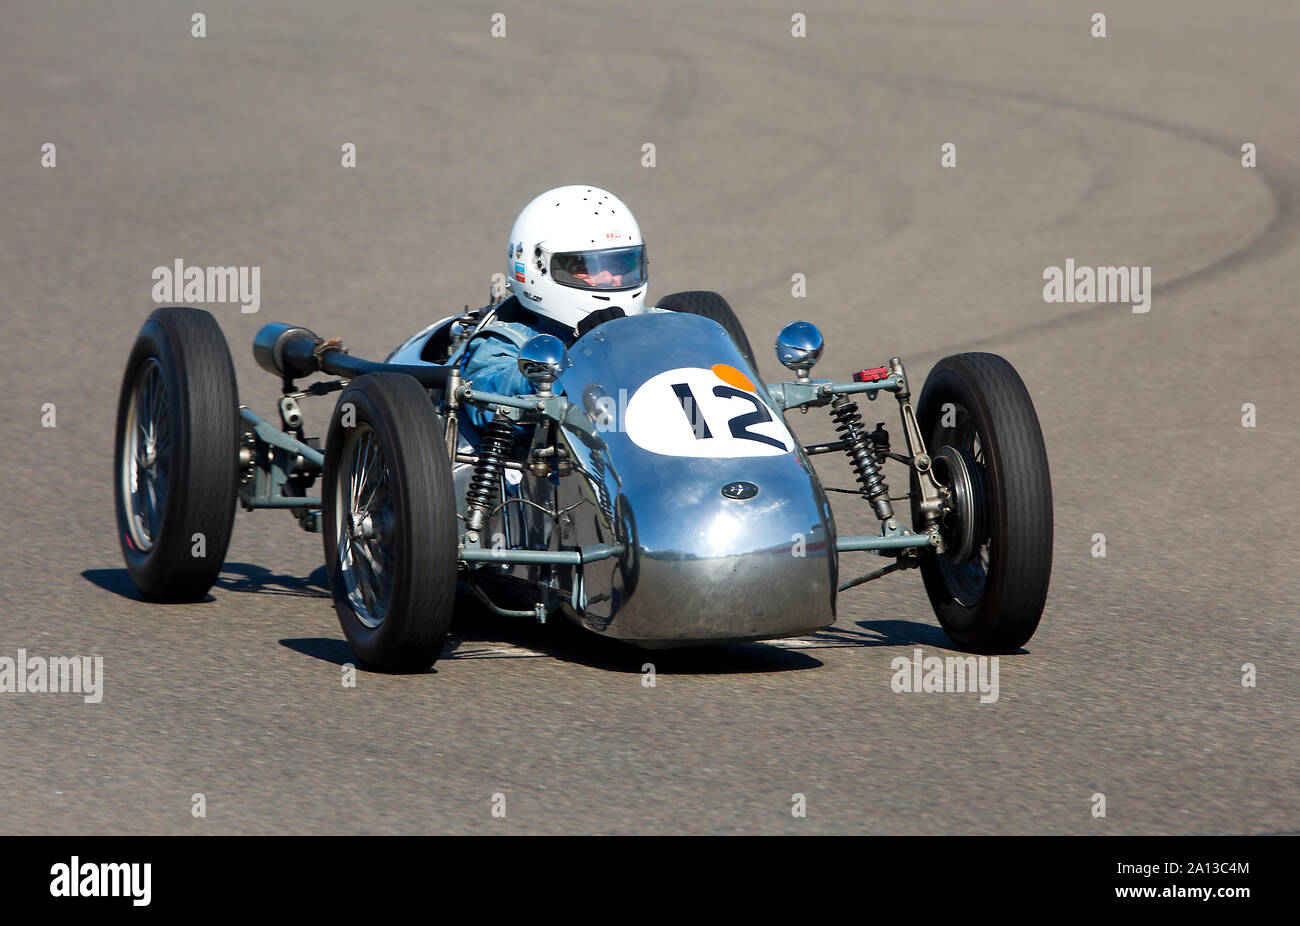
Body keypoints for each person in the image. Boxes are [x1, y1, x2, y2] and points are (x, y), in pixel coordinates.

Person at [458, 186, 648, 433]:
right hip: (549, 465)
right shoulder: (509, 340)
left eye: (622, 264)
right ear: (537, 267)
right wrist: (573, 357)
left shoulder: (655, 324)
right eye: (586, 268)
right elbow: (485, 399)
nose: (611, 279)